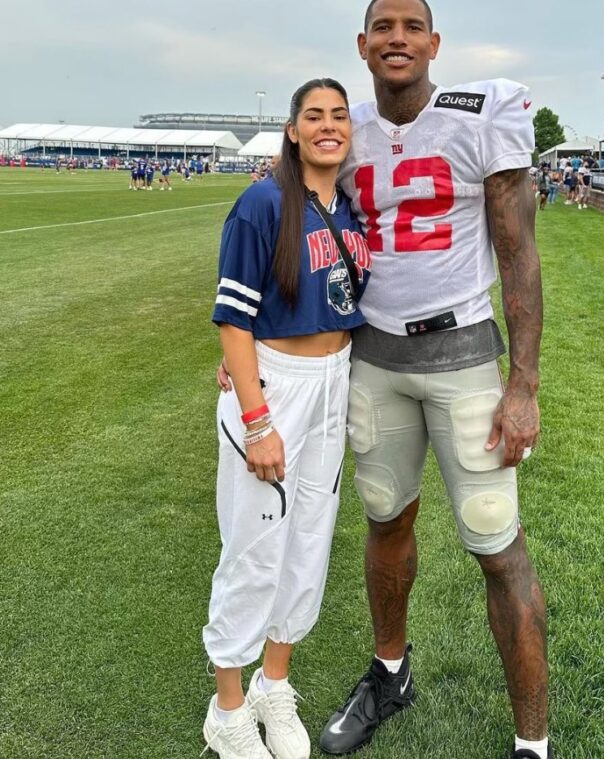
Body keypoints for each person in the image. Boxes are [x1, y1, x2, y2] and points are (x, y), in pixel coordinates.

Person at [319, 2, 550, 757]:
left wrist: (524, 383)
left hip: (461, 356)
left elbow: (518, 254)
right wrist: (243, 340)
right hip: (377, 359)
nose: (396, 39)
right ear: (363, 43)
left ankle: (532, 742)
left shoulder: (478, 114)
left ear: (433, 43)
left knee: (496, 541)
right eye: (383, 27)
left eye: (411, 27)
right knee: (385, 516)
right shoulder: (341, 127)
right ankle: (391, 674)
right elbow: (285, 215)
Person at [203, 78, 371, 759]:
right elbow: (233, 321)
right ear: (294, 130)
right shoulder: (263, 202)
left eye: (339, 115)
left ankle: (276, 684)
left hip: (334, 383)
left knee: (307, 545)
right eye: (314, 115)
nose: (328, 125)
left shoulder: (353, 209)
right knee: (254, 549)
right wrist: (257, 419)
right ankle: (229, 707)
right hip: (276, 388)